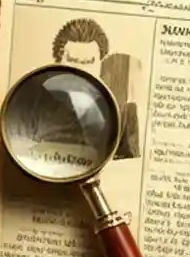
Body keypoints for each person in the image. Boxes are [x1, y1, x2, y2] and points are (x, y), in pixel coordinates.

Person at [50, 18, 141, 160]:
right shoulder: (35, 104)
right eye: (73, 61)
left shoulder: (123, 111)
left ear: (100, 64)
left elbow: (128, 164)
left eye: (88, 62)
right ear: (58, 60)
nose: (81, 70)